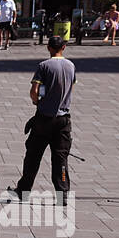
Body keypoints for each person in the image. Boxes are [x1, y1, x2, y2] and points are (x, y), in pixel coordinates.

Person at [7, 36, 76, 202]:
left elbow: (35, 89)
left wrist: (36, 100)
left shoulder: (44, 66)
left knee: (33, 156)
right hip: (63, 119)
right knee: (60, 158)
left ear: (48, 48)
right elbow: (72, 86)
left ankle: (23, 191)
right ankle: (63, 194)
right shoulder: (71, 65)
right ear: (64, 47)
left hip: (44, 119)